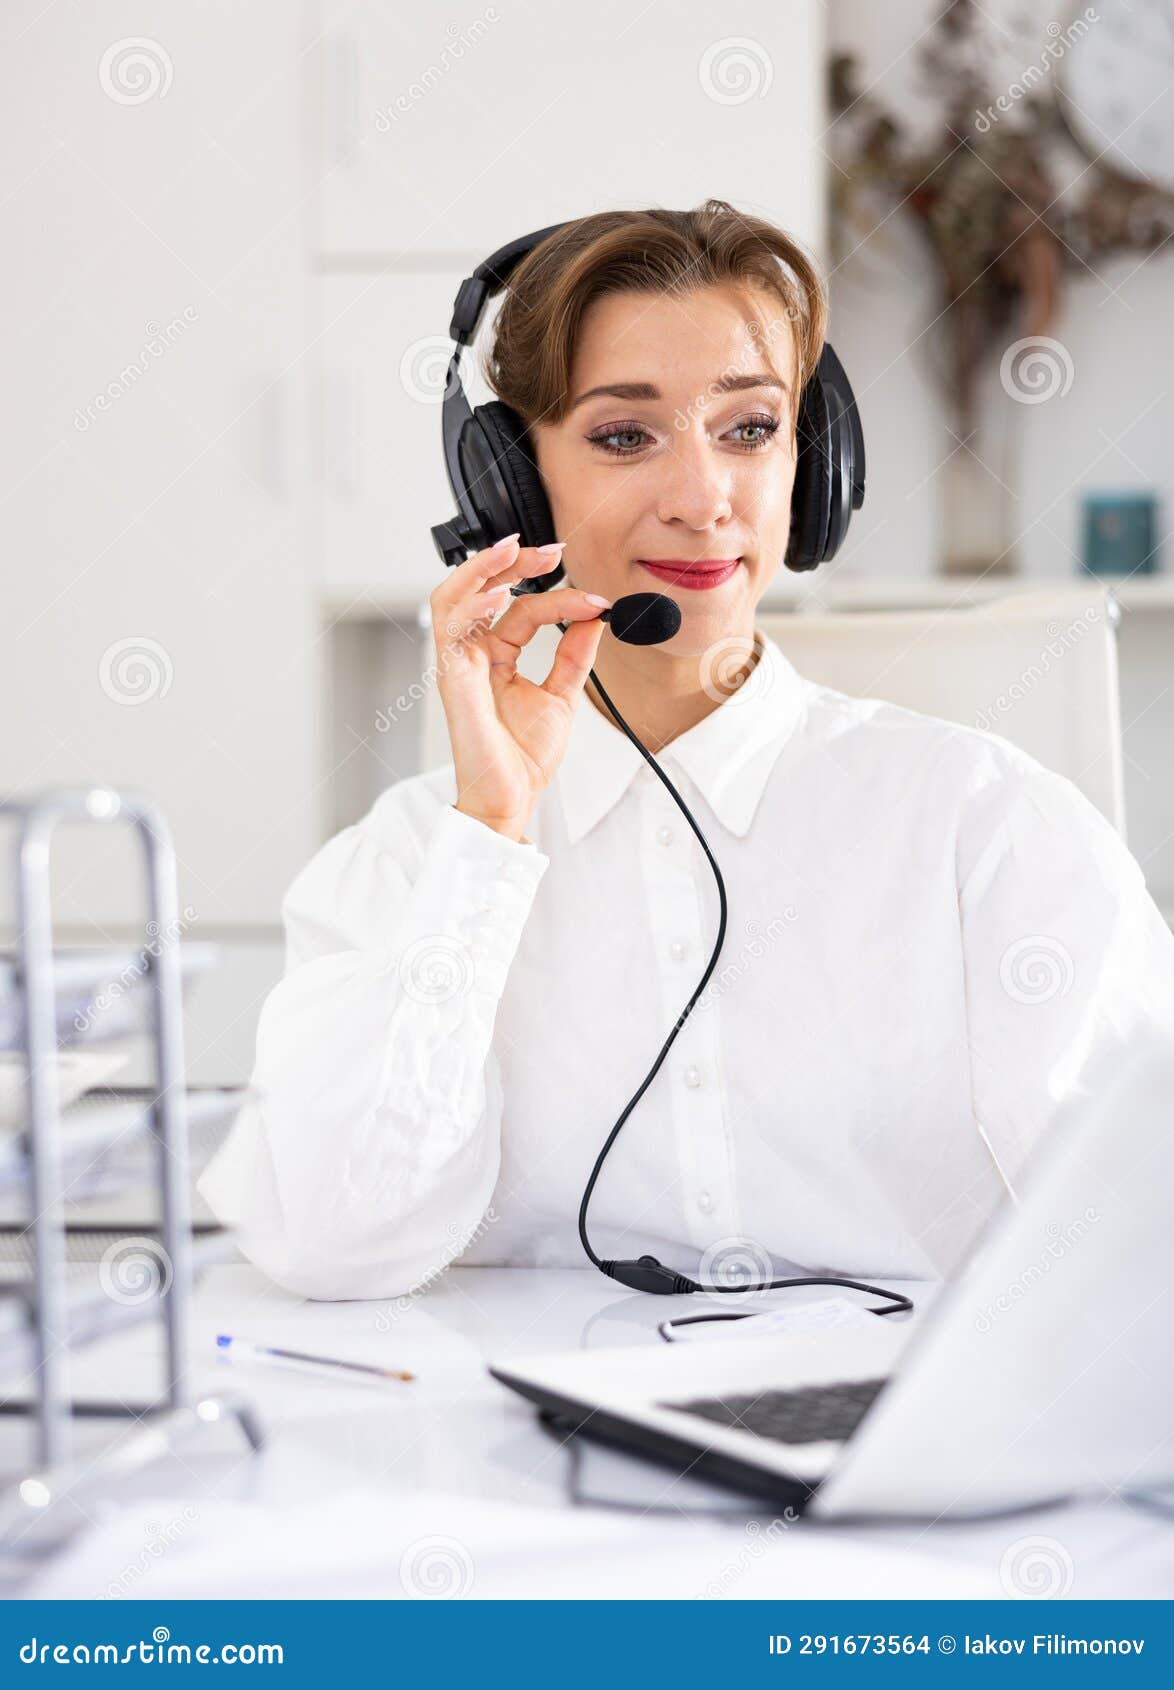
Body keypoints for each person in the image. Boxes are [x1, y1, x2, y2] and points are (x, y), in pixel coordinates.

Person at [199, 202, 1174, 1301]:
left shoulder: (989, 828)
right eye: (624, 436)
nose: (704, 499)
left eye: (750, 428)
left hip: (887, 1452)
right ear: (510, 485)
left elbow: (1138, 1247)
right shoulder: (411, 862)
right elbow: (337, 1246)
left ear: (813, 464)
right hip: (500, 1456)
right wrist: (489, 833)